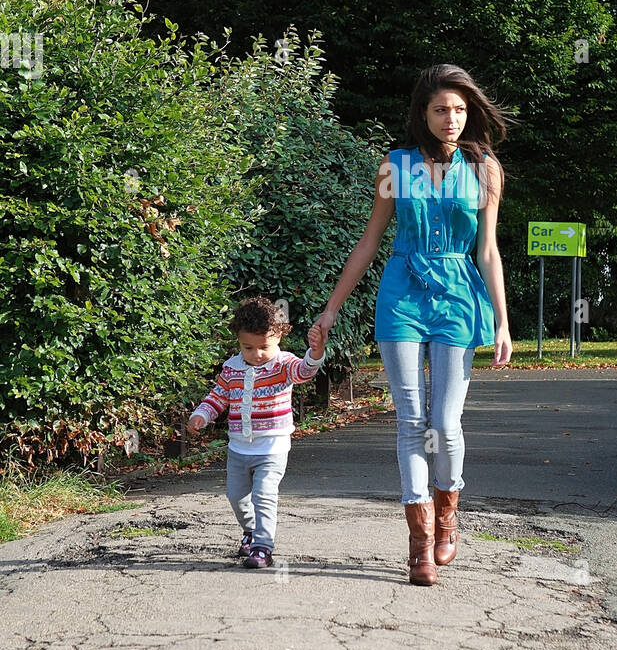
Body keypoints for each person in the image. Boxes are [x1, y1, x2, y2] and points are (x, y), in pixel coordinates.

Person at [312, 63, 513, 586]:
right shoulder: (395, 166)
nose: (452, 118)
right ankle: (419, 543)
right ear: (424, 115)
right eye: (442, 109)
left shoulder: (486, 168)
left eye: (461, 110)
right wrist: (332, 309)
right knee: (409, 420)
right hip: (402, 292)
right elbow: (370, 241)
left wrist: (503, 321)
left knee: (444, 424)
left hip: (459, 295)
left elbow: (488, 251)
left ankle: (449, 514)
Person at [187, 295, 326, 568]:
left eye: (264, 346)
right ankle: (250, 532)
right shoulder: (232, 368)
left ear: (279, 338)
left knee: (264, 495)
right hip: (238, 447)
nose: (256, 354)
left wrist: (316, 352)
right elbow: (218, 397)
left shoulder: (284, 365)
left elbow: (305, 371)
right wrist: (201, 415)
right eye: (247, 347)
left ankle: (263, 547)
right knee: (236, 497)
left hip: (272, 447)